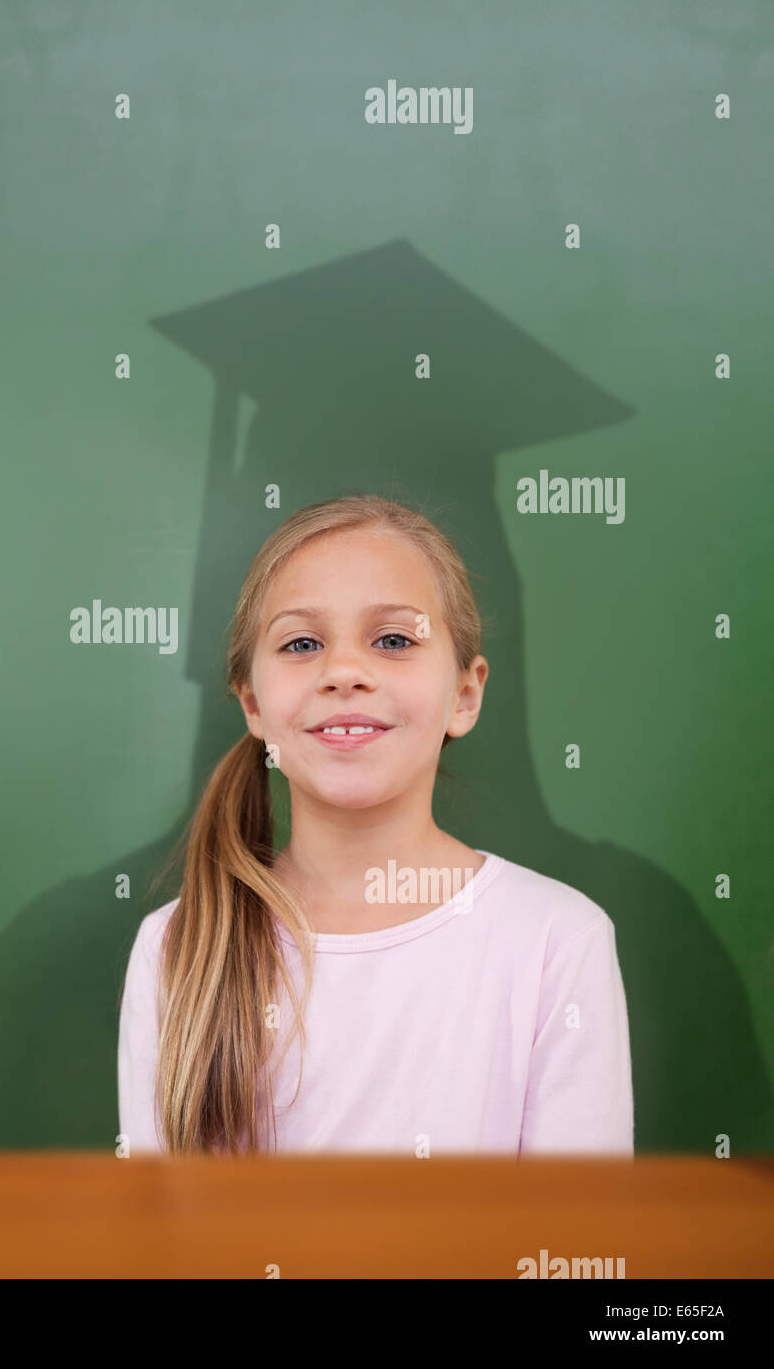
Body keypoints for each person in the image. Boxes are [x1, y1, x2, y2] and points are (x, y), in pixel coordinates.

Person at [117, 494, 633, 1157]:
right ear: (253, 703)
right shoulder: (177, 948)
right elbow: (161, 1243)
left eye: (394, 640)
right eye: (302, 643)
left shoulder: (557, 941)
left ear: (465, 695)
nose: (344, 673)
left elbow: (575, 1234)